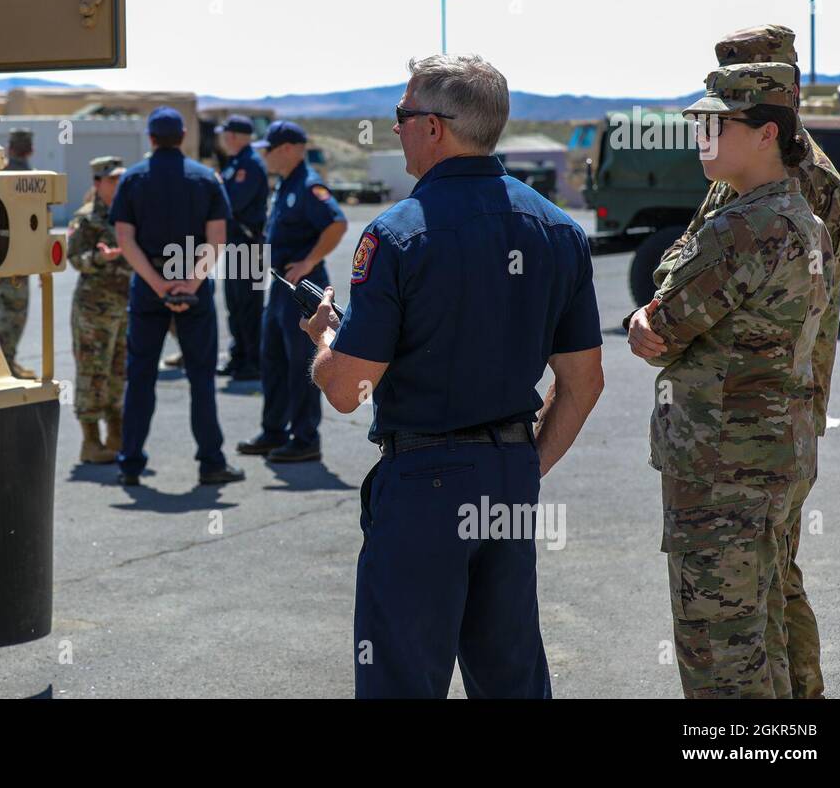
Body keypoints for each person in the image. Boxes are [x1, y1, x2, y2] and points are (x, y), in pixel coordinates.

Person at [302, 54, 604, 698]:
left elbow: (345, 389)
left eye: (401, 116)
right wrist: (522, 465)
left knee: (402, 677)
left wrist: (324, 340)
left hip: (425, 485)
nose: (395, 129)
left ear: (434, 127)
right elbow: (584, 383)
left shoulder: (396, 234)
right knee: (511, 674)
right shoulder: (557, 228)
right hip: (509, 476)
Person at [627, 25, 840, 698]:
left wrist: (656, 314)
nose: (708, 134)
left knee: (725, 644)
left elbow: (669, 315)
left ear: (773, 116)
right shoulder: (759, 192)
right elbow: (681, 271)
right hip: (764, 432)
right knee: (762, 612)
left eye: (725, 118)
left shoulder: (773, 203)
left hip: (737, 444)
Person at [109, 107, 244, 487]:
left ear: (151, 138)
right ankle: (211, 463)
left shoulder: (132, 179)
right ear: (183, 135)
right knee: (201, 379)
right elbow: (217, 240)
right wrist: (189, 283)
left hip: (149, 286)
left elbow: (125, 240)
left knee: (140, 377)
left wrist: (158, 284)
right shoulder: (205, 179)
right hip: (194, 285)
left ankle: (130, 463)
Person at [236, 121, 347, 463]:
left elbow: (337, 223)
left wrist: (308, 261)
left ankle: (304, 437)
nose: (264, 156)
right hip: (282, 290)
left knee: (301, 363)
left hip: (303, 293)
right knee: (273, 359)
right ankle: (274, 431)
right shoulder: (286, 184)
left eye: (268, 149)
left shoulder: (309, 185)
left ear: (286, 149)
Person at [68, 156, 131, 463]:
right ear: (97, 183)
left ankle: (116, 435)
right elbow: (74, 258)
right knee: (92, 372)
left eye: (121, 179)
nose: (118, 185)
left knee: (118, 371)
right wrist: (99, 258)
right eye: (112, 180)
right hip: (93, 309)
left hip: (124, 307)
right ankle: (90, 442)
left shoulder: (129, 214)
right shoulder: (86, 218)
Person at [215, 115, 269, 381]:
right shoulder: (237, 163)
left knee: (248, 306)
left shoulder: (249, 164)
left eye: (225, 134)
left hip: (249, 246)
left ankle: (252, 361)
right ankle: (239, 356)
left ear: (234, 136)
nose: (222, 139)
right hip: (236, 245)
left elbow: (231, 203)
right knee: (235, 304)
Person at [0, 128, 36, 378]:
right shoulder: (29, 176)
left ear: (9, 148)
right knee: (13, 312)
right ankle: (5, 364)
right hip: (17, 256)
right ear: (30, 149)